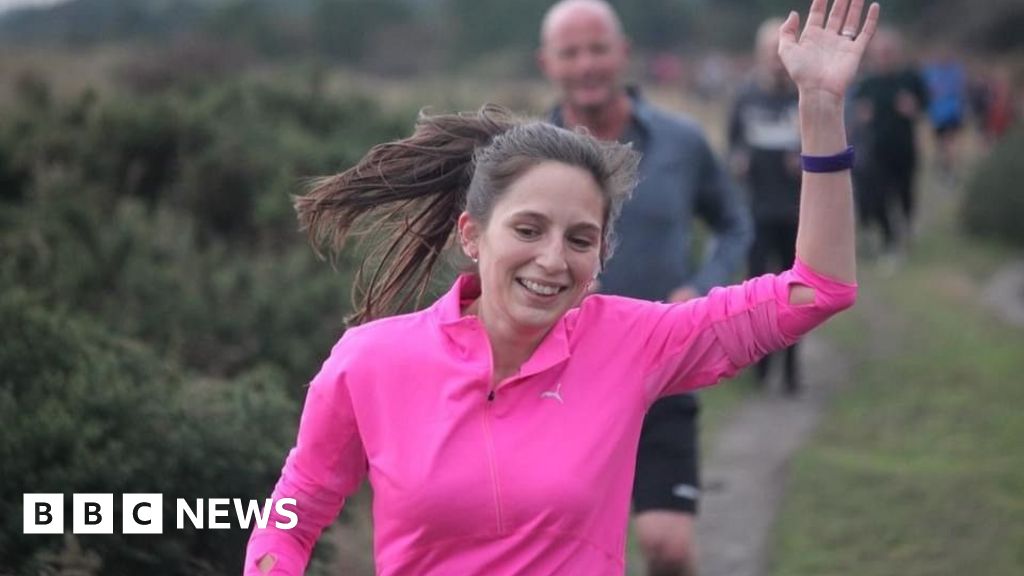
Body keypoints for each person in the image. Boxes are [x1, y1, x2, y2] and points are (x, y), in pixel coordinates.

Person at [244, 0, 876, 573]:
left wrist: (820, 113)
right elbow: (293, 510)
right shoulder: (372, 362)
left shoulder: (635, 342)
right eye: (528, 229)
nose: (552, 260)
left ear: (601, 252)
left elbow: (816, 290)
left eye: (579, 239)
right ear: (472, 234)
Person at [535, 2, 753, 574]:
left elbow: (734, 223)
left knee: (668, 546)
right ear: (547, 63)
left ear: (623, 53)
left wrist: (703, 288)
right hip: (556, 381)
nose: (586, 64)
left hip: (662, 370)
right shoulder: (524, 157)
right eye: (570, 52)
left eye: (597, 48)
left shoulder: (682, 141)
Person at [728, 18, 804, 395]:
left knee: (796, 297)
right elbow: (732, 144)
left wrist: (805, 161)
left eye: (781, 53)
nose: (776, 61)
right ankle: (760, 367)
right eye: (769, 53)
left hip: (796, 214)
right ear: (758, 56)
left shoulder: (803, 98)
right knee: (757, 295)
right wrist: (737, 161)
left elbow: (832, 153)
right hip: (756, 211)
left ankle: (791, 370)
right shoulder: (745, 98)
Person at [850, 27, 928, 262]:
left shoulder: (910, 78)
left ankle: (907, 223)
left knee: (904, 194)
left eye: (889, 51)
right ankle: (889, 242)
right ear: (873, 55)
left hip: (904, 149)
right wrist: (861, 116)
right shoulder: (867, 83)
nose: (884, 56)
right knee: (878, 198)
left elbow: (925, 105)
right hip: (876, 151)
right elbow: (855, 112)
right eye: (880, 52)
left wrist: (913, 108)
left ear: (897, 53)